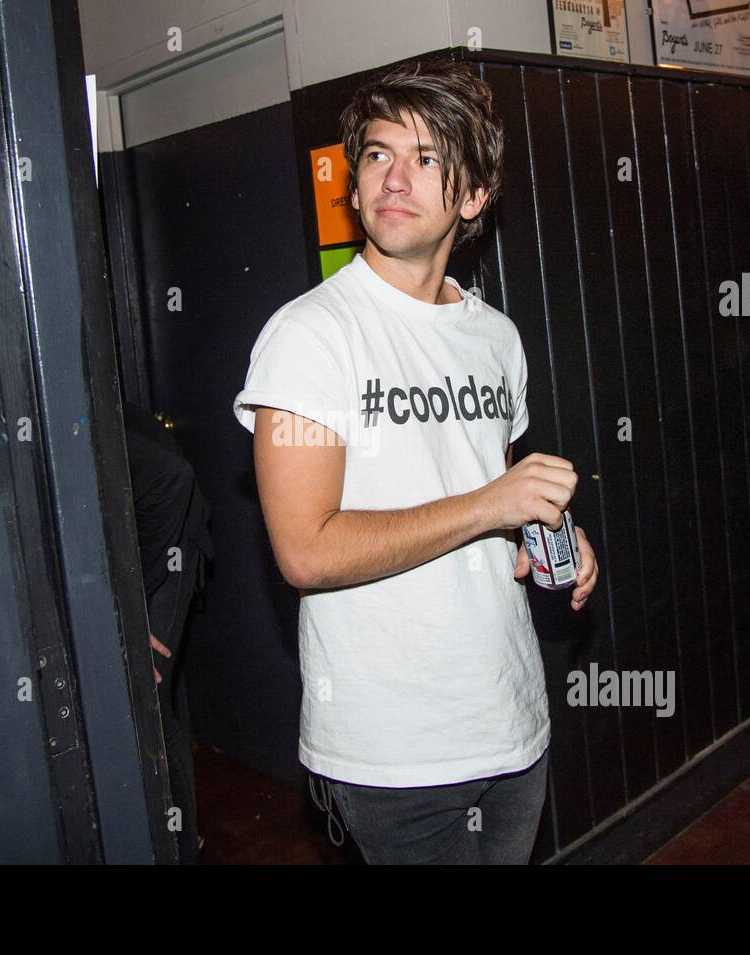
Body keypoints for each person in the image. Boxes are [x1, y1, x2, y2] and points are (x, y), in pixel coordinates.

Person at [231, 59, 599, 864]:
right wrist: (492, 504)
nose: (395, 177)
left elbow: (478, 479)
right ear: (353, 187)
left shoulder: (494, 336)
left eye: (427, 158)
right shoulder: (311, 336)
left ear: (471, 198)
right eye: (376, 155)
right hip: (395, 752)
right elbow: (304, 549)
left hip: (510, 719)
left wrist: (547, 530)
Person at [122, 399, 213, 864]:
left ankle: (180, 848)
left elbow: (170, 478)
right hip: (146, 543)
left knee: (148, 699)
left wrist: (127, 606)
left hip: (165, 551)